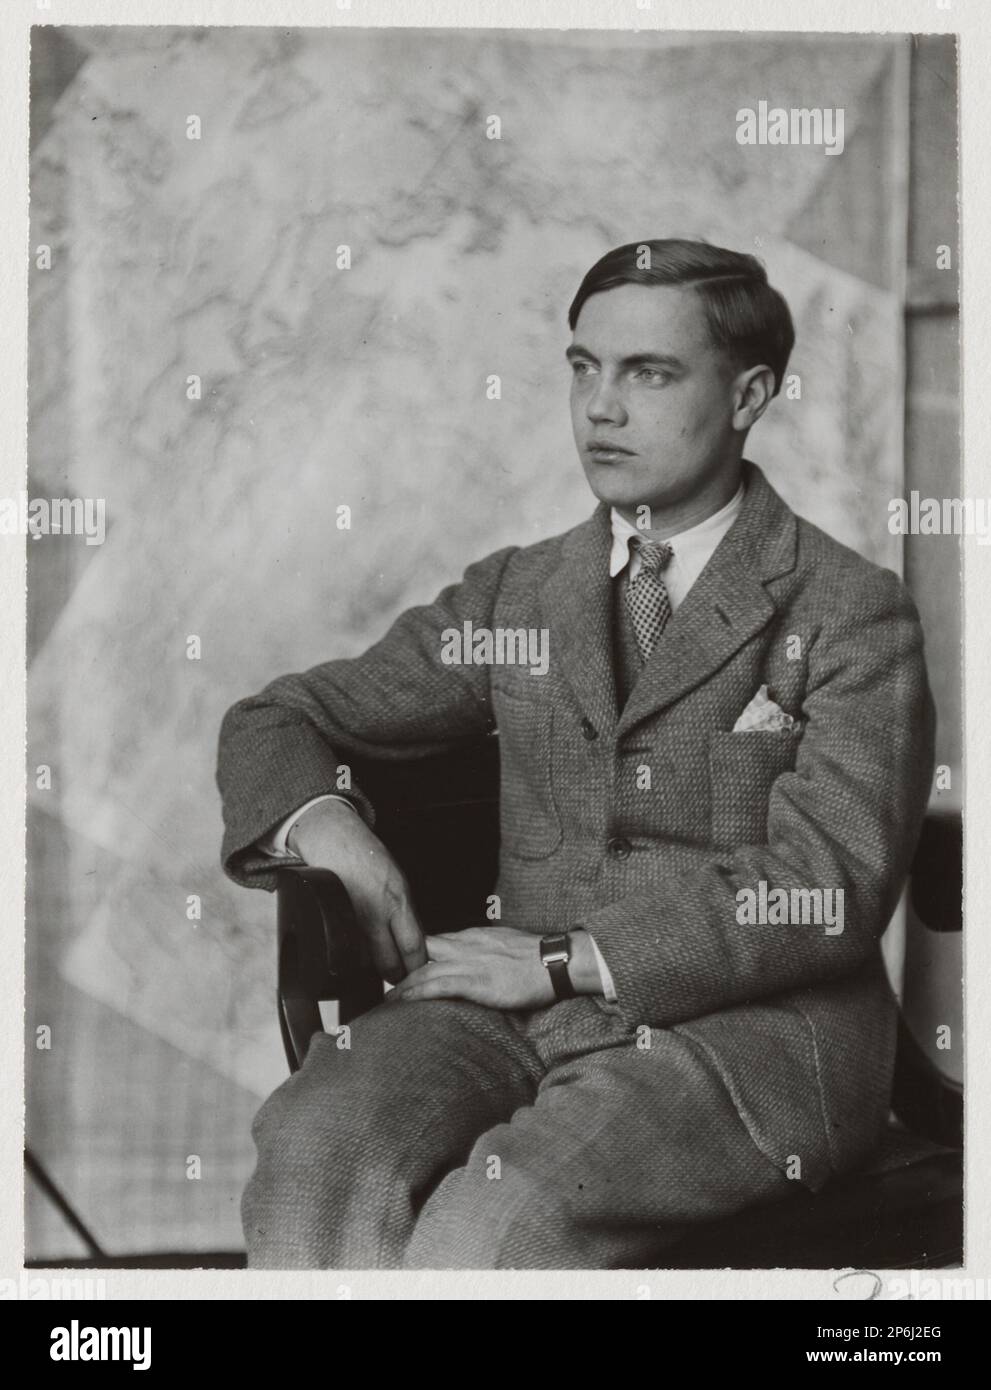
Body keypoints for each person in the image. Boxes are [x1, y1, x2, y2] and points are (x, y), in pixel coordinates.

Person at [216, 239, 935, 1269]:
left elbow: (827, 886)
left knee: (492, 1228)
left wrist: (563, 959)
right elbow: (275, 716)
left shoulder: (850, 610)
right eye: (583, 367)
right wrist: (325, 825)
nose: (599, 406)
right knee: (311, 1157)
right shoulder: (520, 596)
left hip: (743, 1038)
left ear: (748, 395)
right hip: (506, 1015)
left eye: (647, 373)